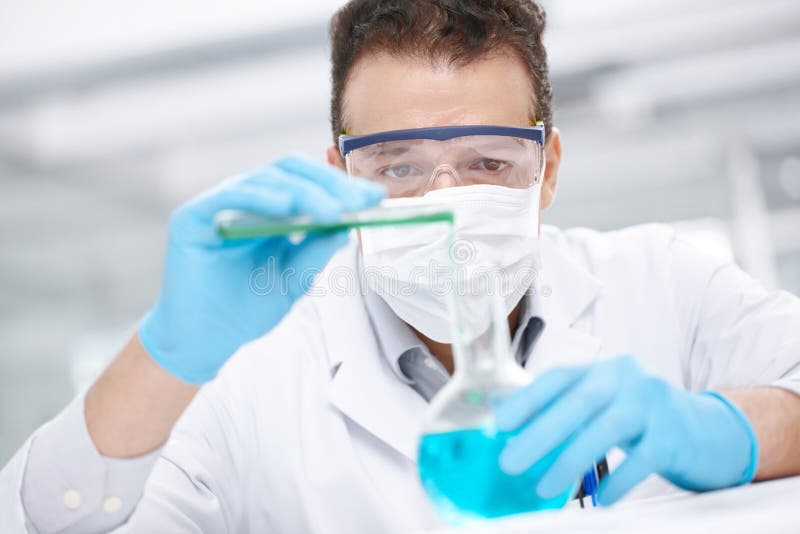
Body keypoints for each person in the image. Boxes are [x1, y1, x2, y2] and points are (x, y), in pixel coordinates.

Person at [2, 1, 800, 532]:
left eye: (488, 163)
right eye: (399, 167)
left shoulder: (661, 281)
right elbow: (46, 520)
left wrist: (721, 431)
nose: (447, 202)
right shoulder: (251, 378)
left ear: (548, 170)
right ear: (342, 173)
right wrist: (166, 352)